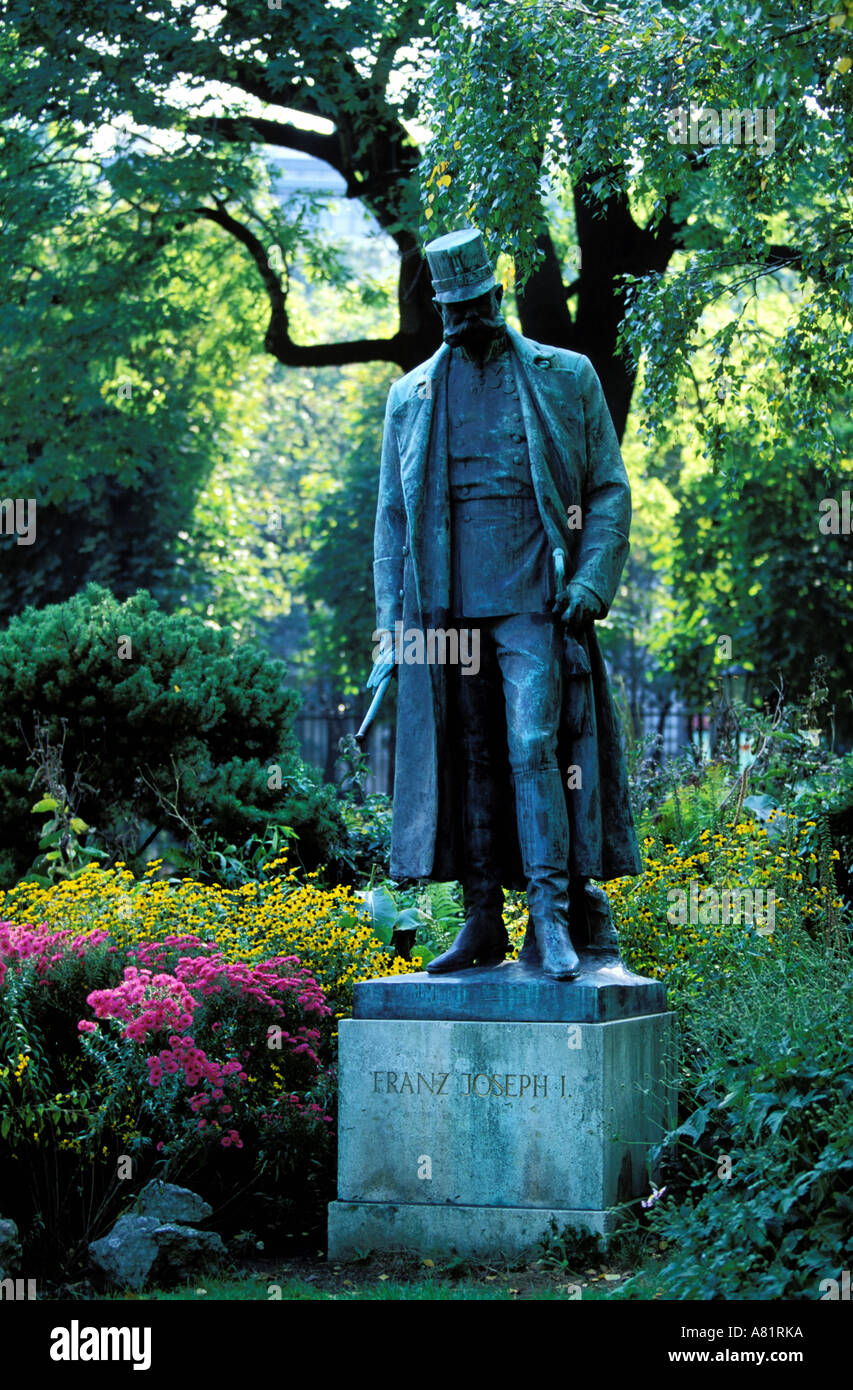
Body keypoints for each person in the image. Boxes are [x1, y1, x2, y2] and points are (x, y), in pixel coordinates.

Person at [369, 227, 641, 980]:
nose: (462, 321)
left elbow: (607, 489)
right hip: (445, 609)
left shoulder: (565, 375)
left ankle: (551, 918)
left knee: (533, 747)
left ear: (495, 294)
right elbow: (392, 523)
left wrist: (590, 580)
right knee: (470, 759)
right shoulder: (409, 397)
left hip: (535, 602)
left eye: (474, 305)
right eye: (449, 311)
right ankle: (480, 920)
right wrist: (390, 637)